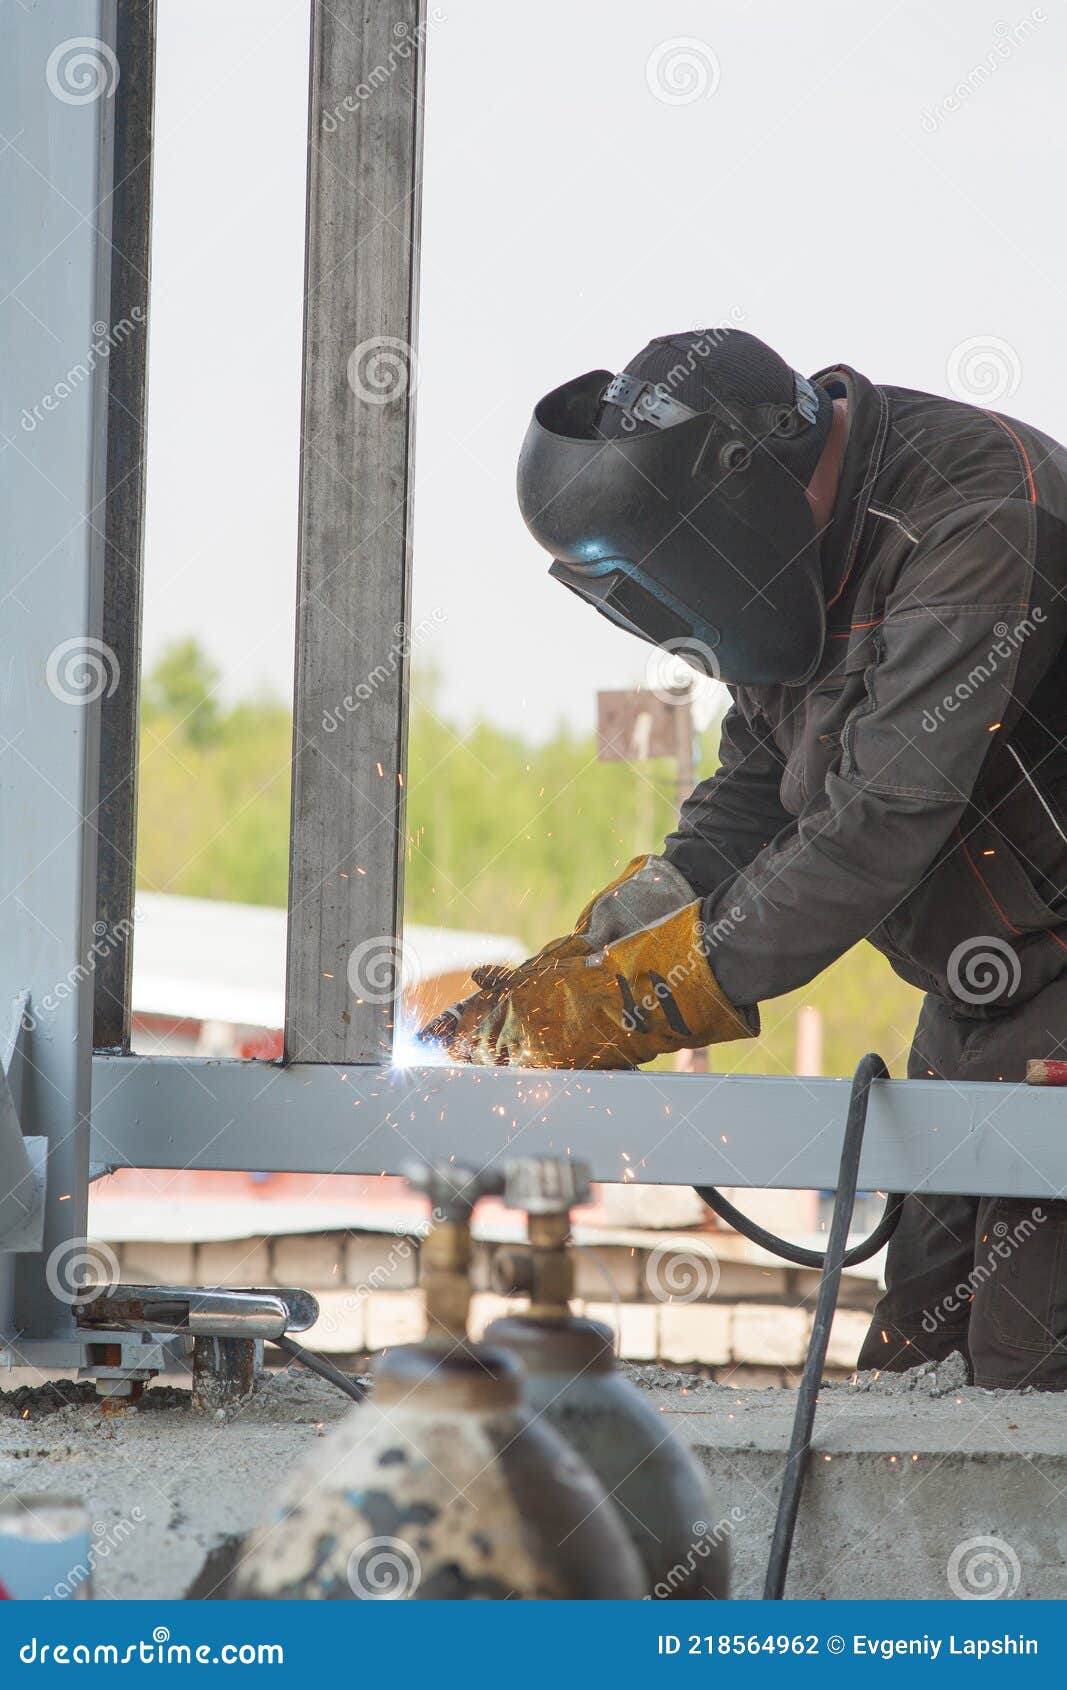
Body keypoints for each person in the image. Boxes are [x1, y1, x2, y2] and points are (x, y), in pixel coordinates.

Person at [421, 327, 1067, 1390]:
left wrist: (632, 1001)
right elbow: (759, 790)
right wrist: (609, 938)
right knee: (912, 1364)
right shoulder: (779, 559)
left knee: (1020, 1373)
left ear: (737, 483)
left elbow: (877, 820)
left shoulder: (975, 514)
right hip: (984, 991)